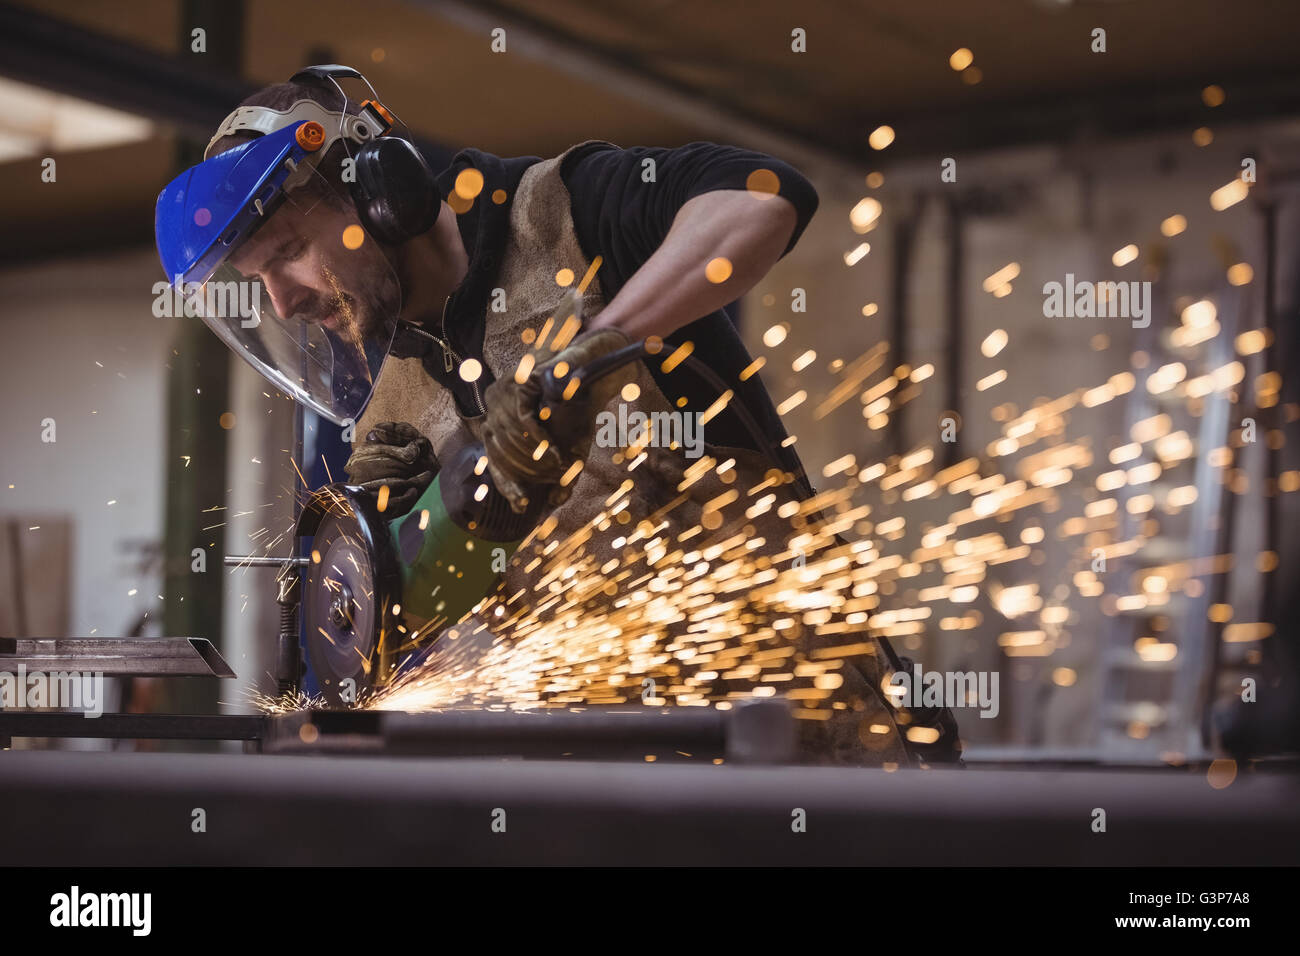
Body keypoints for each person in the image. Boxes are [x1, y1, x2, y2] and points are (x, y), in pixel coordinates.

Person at [155, 64, 961, 767]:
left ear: (378, 187)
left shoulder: (564, 214)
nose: (285, 301)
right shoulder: (390, 415)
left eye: (289, 252)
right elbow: (398, 664)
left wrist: (598, 347)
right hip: (605, 784)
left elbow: (766, 199)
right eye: (259, 282)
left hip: (808, 748)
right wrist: (371, 571)